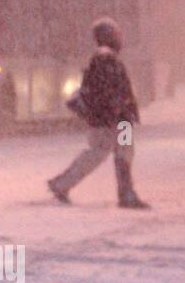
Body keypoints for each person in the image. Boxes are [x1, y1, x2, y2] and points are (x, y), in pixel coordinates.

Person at [49, 17, 149, 209]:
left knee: (114, 152)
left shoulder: (103, 58)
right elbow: (110, 91)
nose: (119, 38)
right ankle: (124, 193)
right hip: (117, 119)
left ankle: (64, 184)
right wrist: (117, 109)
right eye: (116, 34)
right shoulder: (106, 59)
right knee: (110, 152)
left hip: (117, 118)